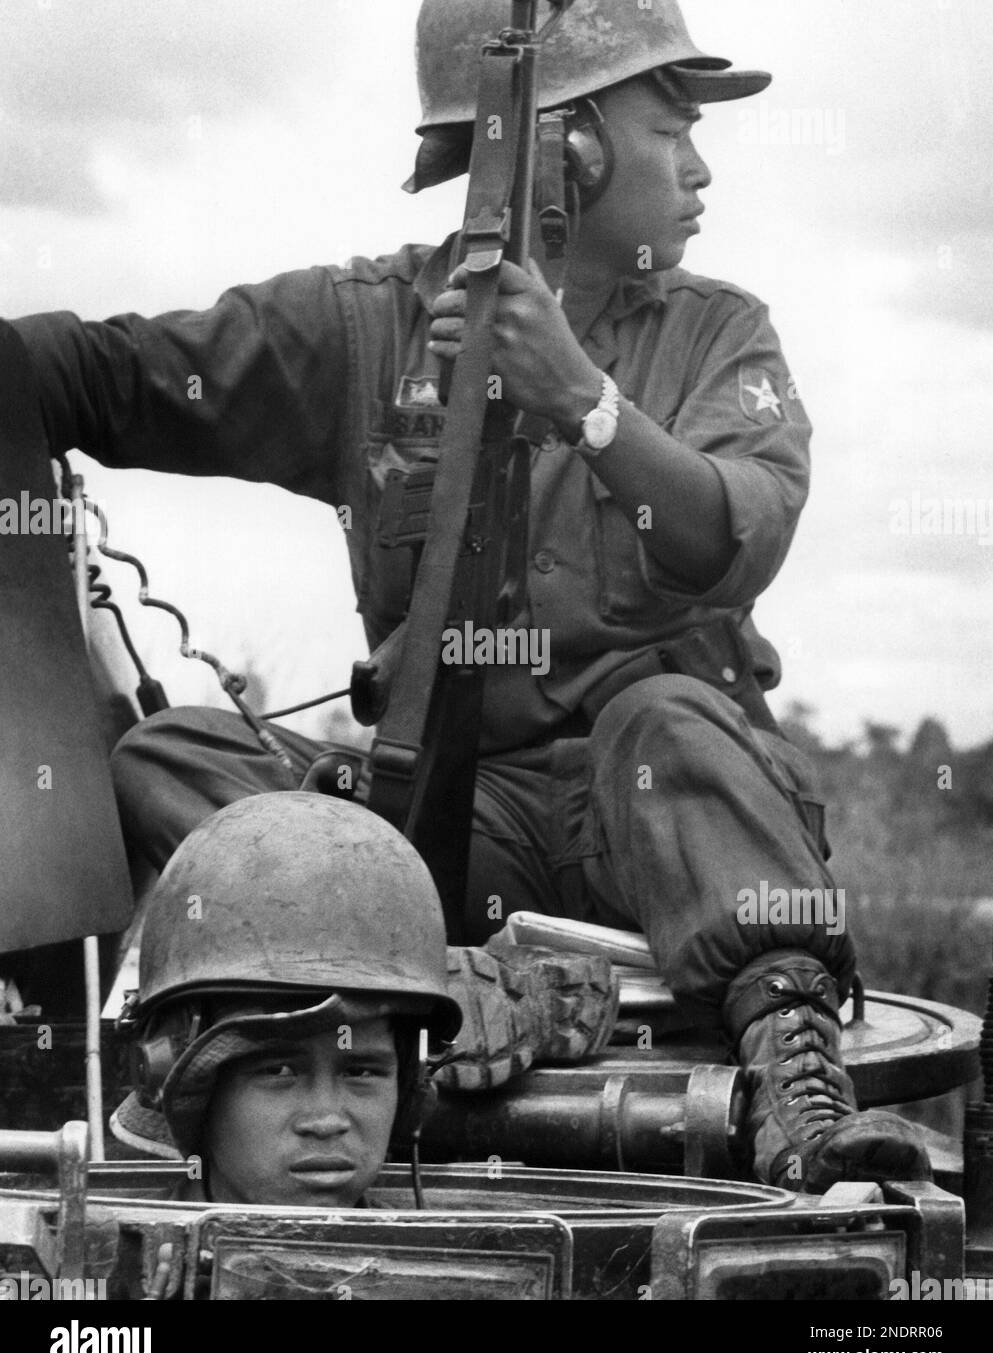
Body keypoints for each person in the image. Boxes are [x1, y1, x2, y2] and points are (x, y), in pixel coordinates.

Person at [14, 0, 929, 1192]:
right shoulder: (365, 327)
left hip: (651, 829)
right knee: (167, 757)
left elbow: (730, 531)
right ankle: (424, 982)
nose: (701, 168)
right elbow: (103, 374)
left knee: (674, 723)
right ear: (573, 146)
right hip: (435, 832)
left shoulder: (718, 333)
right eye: (674, 130)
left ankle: (793, 1076)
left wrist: (582, 399)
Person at [113, 791, 618, 1203]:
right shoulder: (100, 1269)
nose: (327, 1120)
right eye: (278, 1071)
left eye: (362, 1072)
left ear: (413, 1090)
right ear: (174, 1078)